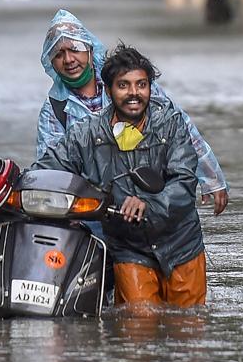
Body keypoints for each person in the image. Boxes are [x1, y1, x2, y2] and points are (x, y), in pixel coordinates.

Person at [34, 43, 206, 311]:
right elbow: (46, 168)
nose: (134, 93)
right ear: (109, 90)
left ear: (150, 88)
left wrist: (148, 204)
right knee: (137, 330)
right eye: (124, 85)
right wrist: (11, 183)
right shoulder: (87, 135)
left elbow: (184, 182)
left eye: (141, 85)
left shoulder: (170, 124)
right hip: (129, 248)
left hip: (181, 244)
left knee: (189, 329)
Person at [37, 9, 229, 215]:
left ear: (90, 51)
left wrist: (212, 179)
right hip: (96, 208)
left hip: (150, 195)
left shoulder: (132, 83)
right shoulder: (54, 110)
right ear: (52, 64)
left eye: (75, 49)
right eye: (58, 54)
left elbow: (182, 131)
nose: (68, 59)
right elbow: (51, 168)